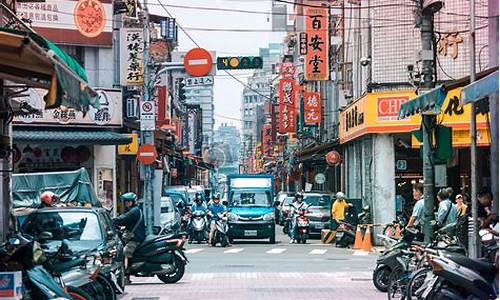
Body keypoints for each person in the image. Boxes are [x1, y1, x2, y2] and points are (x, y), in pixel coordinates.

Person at [113, 192, 146, 272]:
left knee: (124, 253)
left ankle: (125, 274)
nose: (126, 203)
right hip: (136, 236)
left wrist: (111, 220)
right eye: (125, 202)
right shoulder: (136, 210)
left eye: (128, 201)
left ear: (133, 202)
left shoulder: (134, 211)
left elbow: (123, 219)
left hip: (135, 238)